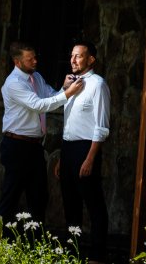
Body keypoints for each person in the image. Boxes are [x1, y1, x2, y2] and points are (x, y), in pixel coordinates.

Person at [0, 40, 80, 227]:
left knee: (39, 196)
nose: (35, 61)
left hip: (34, 147)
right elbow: (38, 105)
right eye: (30, 59)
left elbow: (50, 96)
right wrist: (68, 94)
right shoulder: (13, 83)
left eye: (35, 57)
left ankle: (34, 245)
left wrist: (65, 88)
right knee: (11, 196)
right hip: (16, 145)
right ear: (17, 62)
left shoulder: (37, 77)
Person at [57, 41, 110, 262]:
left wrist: (89, 158)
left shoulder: (98, 85)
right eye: (72, 56)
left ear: (90, 59)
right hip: (68, 149)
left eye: (78, 56)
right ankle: (72, 253)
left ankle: (96, 257)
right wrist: (62, 157)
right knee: (71, 206)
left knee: (94, 205)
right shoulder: (70, 83)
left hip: (86, 149)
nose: (73, 60)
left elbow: (102, 126)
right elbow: (68, 123)